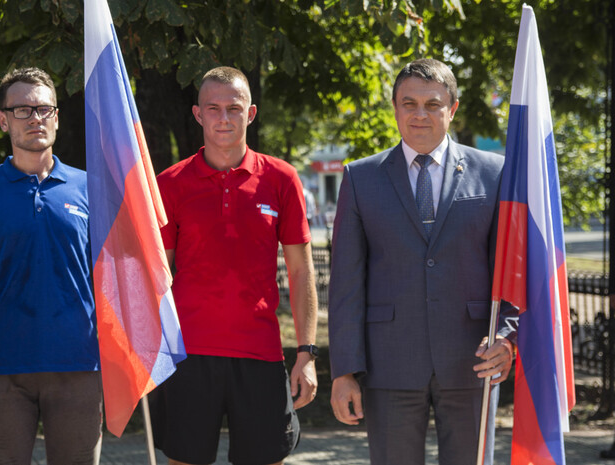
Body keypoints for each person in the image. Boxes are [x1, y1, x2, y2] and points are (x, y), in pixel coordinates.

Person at [327, 58, 517, 465]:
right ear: (394, 108)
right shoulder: (361, 178)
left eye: (433, 104)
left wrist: (508, 338)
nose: (419, 114)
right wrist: (344, 371)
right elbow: (345, 282)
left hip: (474, 361)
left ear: (453, 108)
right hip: (389, 364)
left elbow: (513, 270)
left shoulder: (495, 173)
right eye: (408, 103)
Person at [149, 66, 319, 465]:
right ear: (197, 114)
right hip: (187, 357)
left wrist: (307, 354)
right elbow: (157, 276)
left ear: (251, 113)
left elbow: (302, 272)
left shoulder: (282, 179)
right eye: (213, 108)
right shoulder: (170, 183)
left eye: (233, 108)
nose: (223, 118)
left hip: (260, 354)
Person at [0, 67, 102, 465]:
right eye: (22, 110)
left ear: (57, 117)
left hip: (79, 364)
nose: (35, 117)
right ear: (3, 120)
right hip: (1, 371)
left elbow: (116, 279)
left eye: (44, 109)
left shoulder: (93, 190)